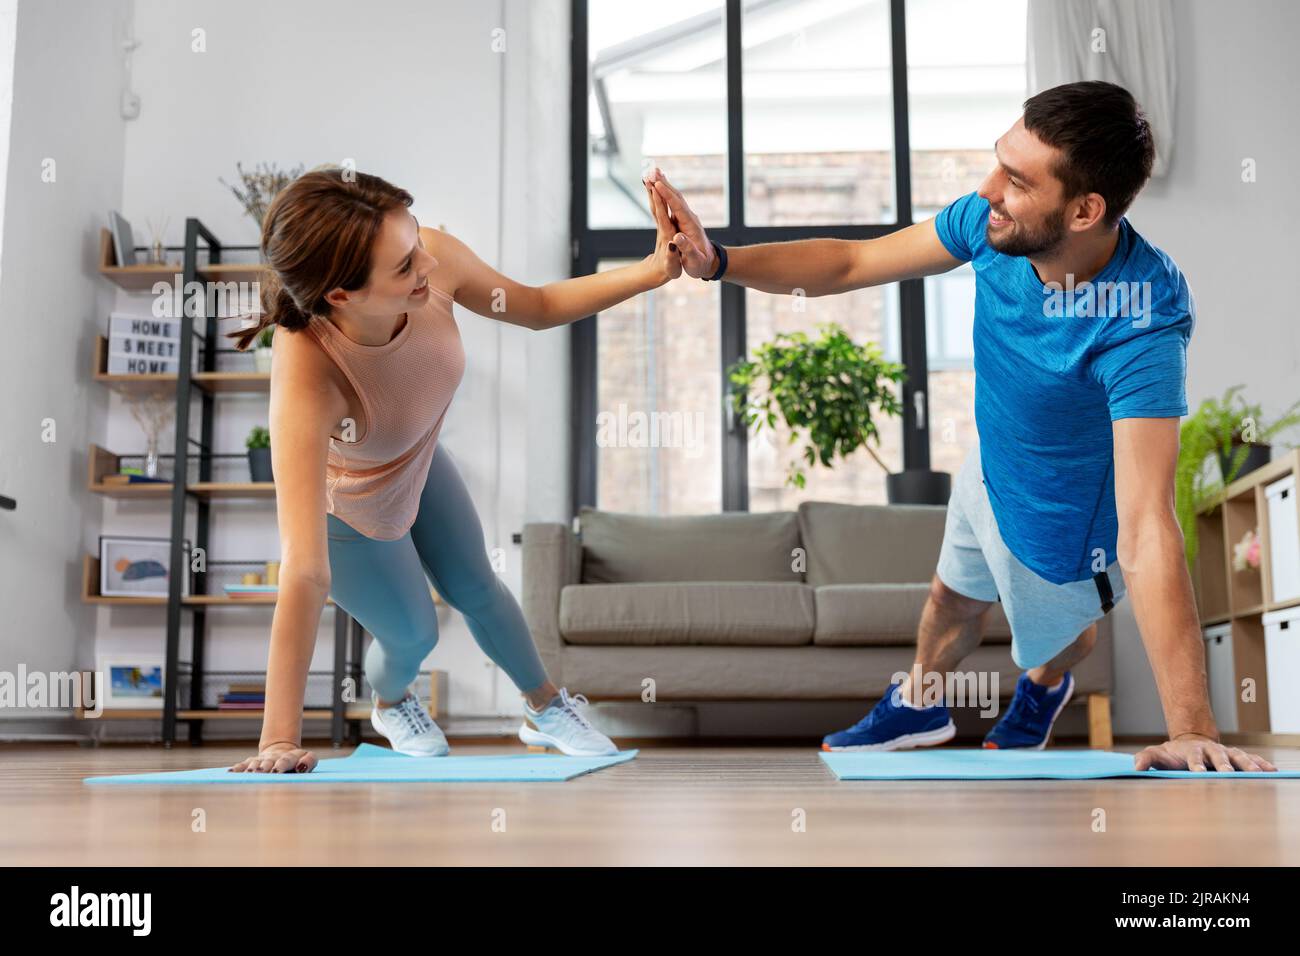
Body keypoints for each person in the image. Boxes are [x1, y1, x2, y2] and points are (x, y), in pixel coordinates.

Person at [647, 81, 1276, 773]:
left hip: (1066, 523)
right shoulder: (991, 223)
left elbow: (1148, 526)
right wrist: (719, 263)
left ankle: (1043, 688)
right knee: (950, 597)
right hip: (992, 465)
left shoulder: (1143, 316)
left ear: (1084, 209)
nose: (986, 191)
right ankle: (921, 703)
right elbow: (853, 261)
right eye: (996, 162)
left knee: (1056, 642)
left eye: (1014, 179)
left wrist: (1190, 728)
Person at [229, 167, 683, 772]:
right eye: (403, 267)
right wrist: (277, 739)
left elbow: (539, 305)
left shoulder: (429, 257)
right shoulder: (309, 372)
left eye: (414, 239)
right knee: (416, 635)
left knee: (478, 586)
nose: (426, 265)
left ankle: (544, 710)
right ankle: (392, 702)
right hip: (354, 511)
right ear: (340, 295)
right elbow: (306, 571)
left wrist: (655, 269)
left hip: (420, 457)